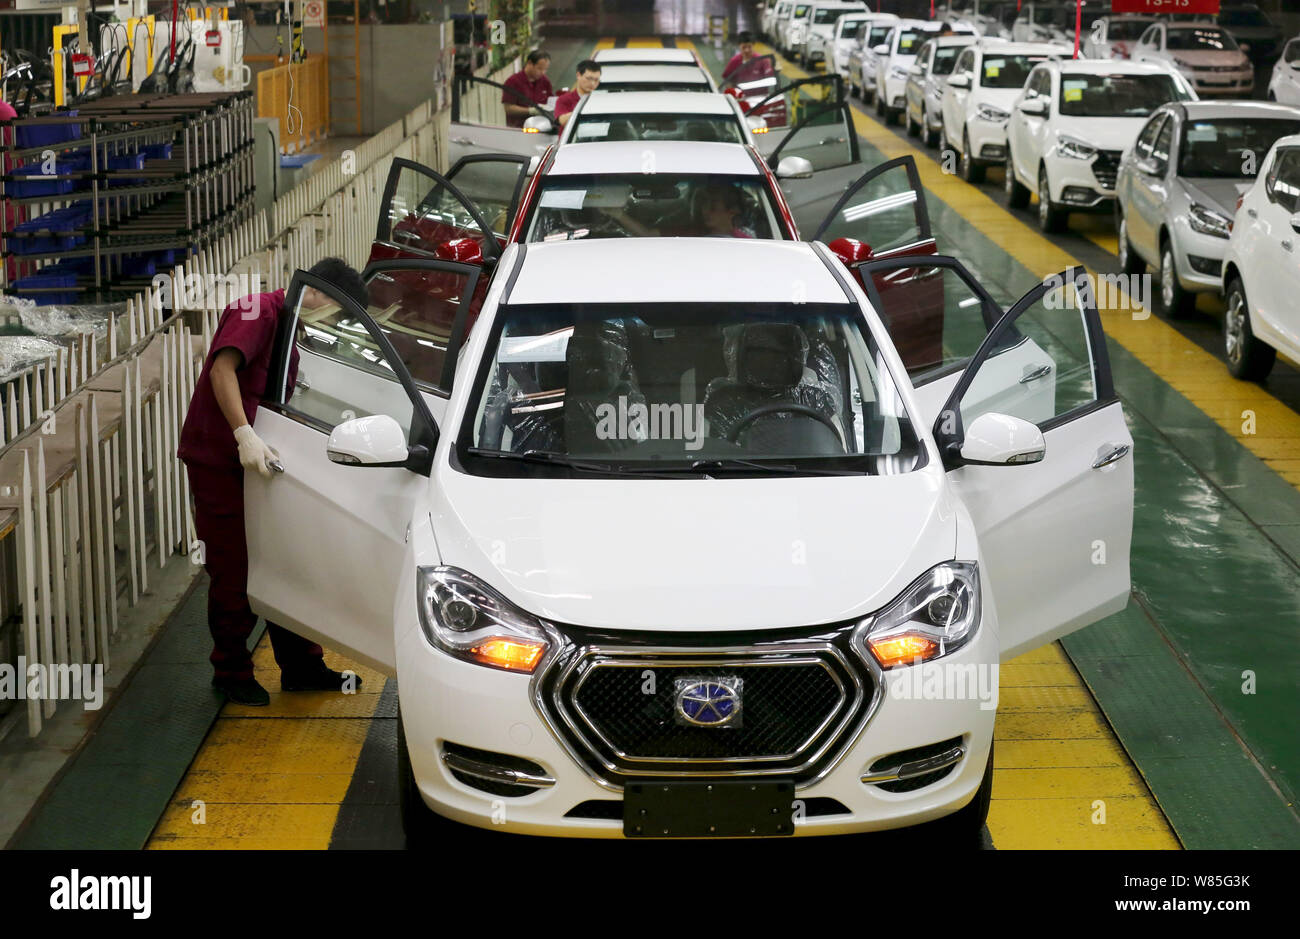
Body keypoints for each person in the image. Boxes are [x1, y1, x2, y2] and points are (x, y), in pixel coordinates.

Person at [177, 258, 369, 706]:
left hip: (256, 464)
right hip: (219, 461)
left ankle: (301, 667)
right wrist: (243, 434)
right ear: (318, 292)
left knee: (287, 561)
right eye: (338, 311)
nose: (334, 321)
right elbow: (222, 371)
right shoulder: (256, 311)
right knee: (235, 568)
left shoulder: (290, 335)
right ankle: (229, 670)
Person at [502, 49, 553, 128]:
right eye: (539, 69)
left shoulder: (545, 82)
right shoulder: (513, 82)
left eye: (545, 69)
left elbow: (550, 101)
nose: (543, 72)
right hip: (518, 130)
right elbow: (508, 108)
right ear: (529, 63)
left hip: (540, 128)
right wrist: (530, 111)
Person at [554, 60, 601, 127]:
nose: (592, 83)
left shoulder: (601, 101)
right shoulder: (564, 99)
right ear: (578, 75)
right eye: (589, 78)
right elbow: (561, 121)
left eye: (596, 80)